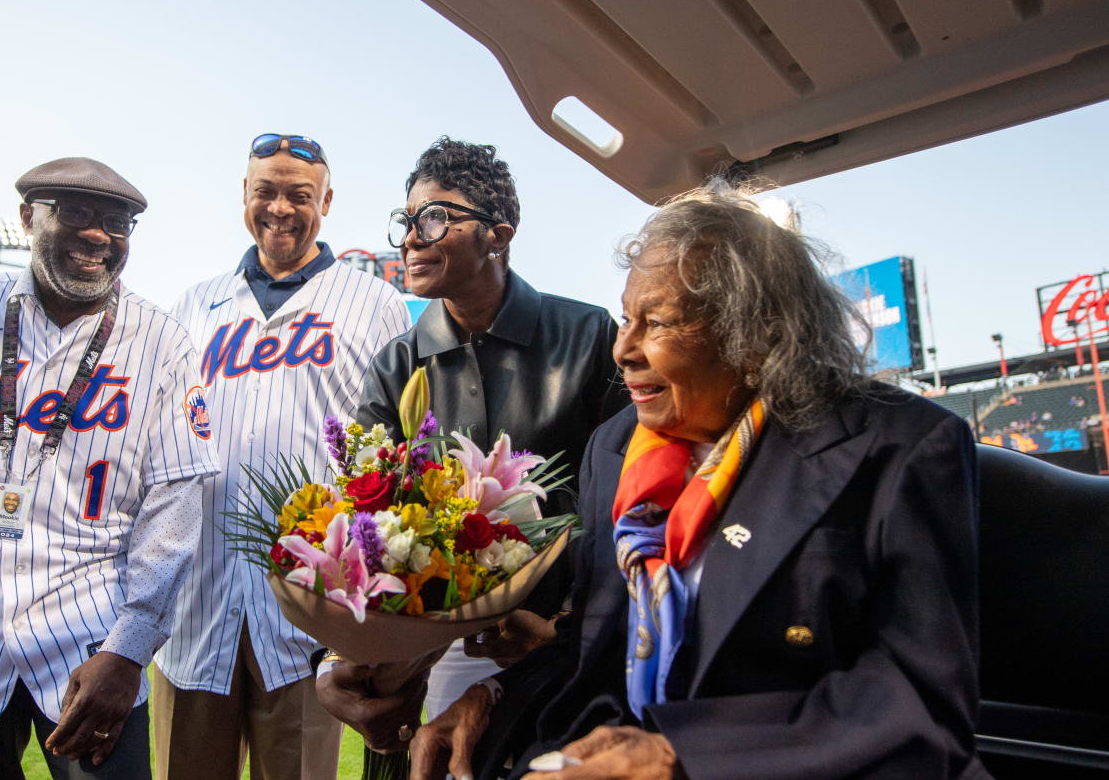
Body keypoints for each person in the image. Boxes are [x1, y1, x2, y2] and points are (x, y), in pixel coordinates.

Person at [410, 180, 986, 780]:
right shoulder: (614, 449)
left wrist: (683, 756)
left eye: (655, 323)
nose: (621, 349)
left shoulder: (902, 448)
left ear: (756, 334)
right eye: (627, 318)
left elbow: (919, 702)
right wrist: (493, 698)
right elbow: (596, 645)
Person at [0, 157, 219, 780]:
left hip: (92, 640)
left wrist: (130, 651)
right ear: (28, 217)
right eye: (75, 213)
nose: (99, 235)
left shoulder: (162, 339)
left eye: (117, 222)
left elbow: (175, 506)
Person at [315, 137, 631, 750]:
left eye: (434, 217)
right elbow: (363, 518)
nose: (410, 238)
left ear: (498, 236)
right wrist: (347, 654)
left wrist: (565, 625)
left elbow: (626, 505)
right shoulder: (397, 362)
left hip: (578, 635)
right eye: (406, 221)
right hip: (444, 647)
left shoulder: (590, 335)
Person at [153, 133, 412, 780]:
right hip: (195, 601)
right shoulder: (193, 304)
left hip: (309, 611)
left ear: (326, 200)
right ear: (244, 194)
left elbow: (399, 452)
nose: (280, 208)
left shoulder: (376, 304)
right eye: (265, 191)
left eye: (300, 195)